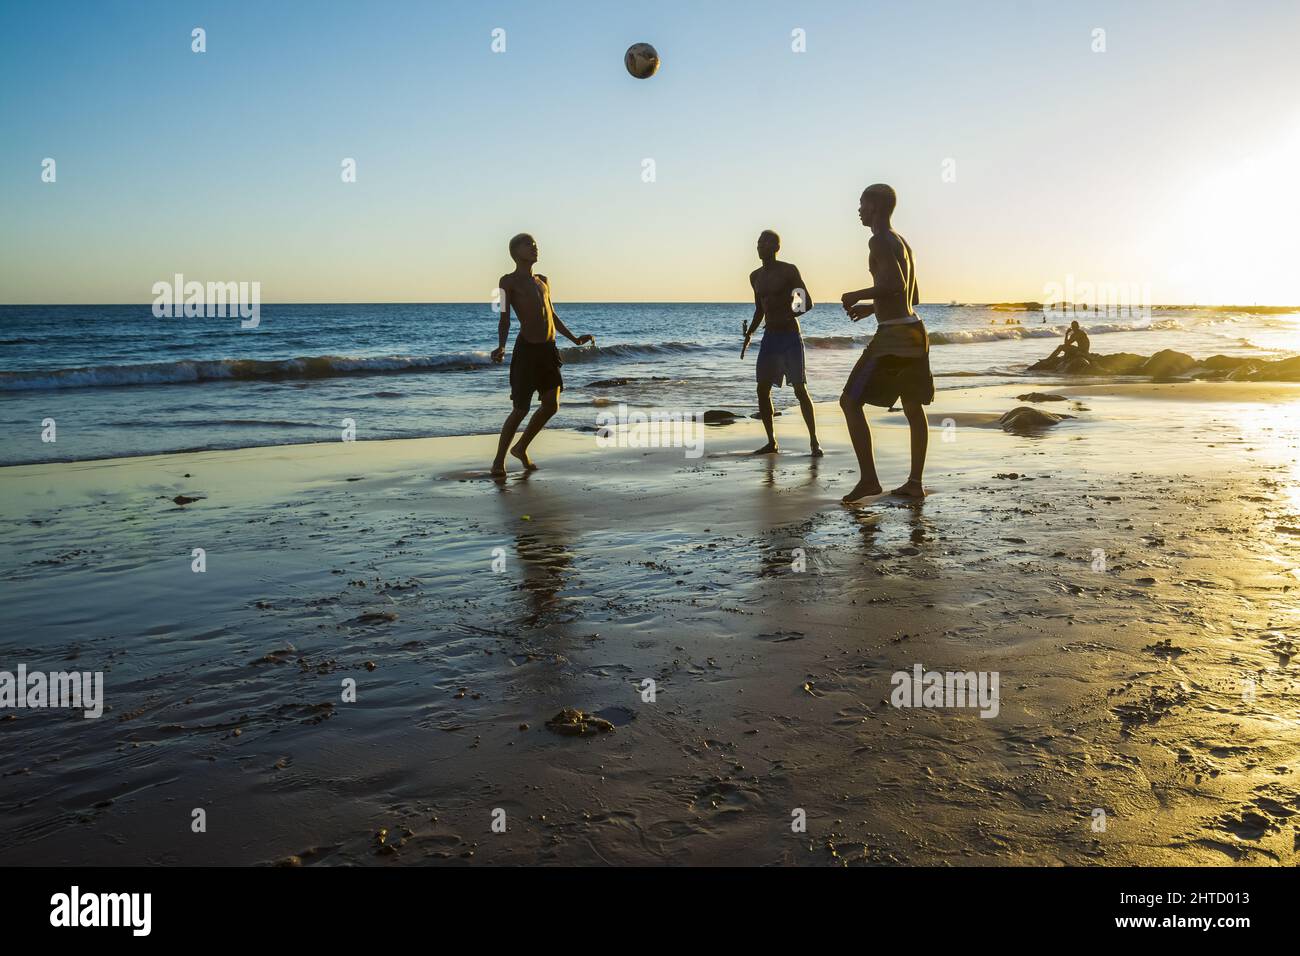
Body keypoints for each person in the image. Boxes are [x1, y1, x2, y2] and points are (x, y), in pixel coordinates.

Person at [838, 184, 934, 501]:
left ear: (876, 206)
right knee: (912, 407)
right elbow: (912, 295)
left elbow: (894, 284)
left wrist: (857, 294)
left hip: (893, 337)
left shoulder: (878, 240)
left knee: (849, 401)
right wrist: (871, 308)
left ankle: (869, 480)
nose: (859, 209)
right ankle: (915, 483)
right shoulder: (902, 242)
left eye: (862, 203)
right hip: (915, 331)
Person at [489, 233, 594, 476]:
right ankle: (498, 461)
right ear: (515, 252)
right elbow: (504, 317)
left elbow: (552, 315)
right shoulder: (507, 281)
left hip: (549, 350)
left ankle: (521, 447)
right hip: (527, 350)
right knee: (521, 409)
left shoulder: (543, 280)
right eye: (529, 245)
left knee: (551, 405)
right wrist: (501, 345)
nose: (535, 248)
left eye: (535, 245)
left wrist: (574, 338)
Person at [742, 230, 822, 456]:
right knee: (762, 389)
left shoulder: (788, 271)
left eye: (764, 243)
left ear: (776, 247)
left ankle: (814, 442)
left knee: (800, 389)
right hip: (770, 339)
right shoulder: (755, 276)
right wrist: (749, 333)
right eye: (757, 242)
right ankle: (771, 441)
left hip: (789, 337)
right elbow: (760, 309)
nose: (759, 246)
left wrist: (787, 316)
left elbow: (806, 302)